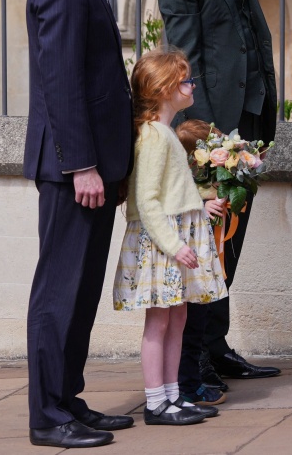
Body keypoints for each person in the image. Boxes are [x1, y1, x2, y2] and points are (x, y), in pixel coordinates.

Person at [159, 0, 280, 403]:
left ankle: (219, 342)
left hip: (246, 123)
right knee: (207, 248)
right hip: (213, 135)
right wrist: (208, 144)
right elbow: (188, 62)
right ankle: (198, 358)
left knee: (231, 246)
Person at [23, 0, 134, 449]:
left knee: (82, 291)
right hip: (72, 170)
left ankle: (67, 398)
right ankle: (47, 416)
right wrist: (82, 165)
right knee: (58, 292)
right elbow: (61, 82)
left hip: (92, 166)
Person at [112, 47, 228, 426]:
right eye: (184, 80)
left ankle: (173, 395)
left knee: (177, 317)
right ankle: (155, 401)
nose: (191, 85)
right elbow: (147, 200)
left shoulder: (163, 134)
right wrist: (176, 245)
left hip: (174, 241)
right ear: (164, 88)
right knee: (160, 321)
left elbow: (174, 189)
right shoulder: (155, 136)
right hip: (163, 245)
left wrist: (203, 201)